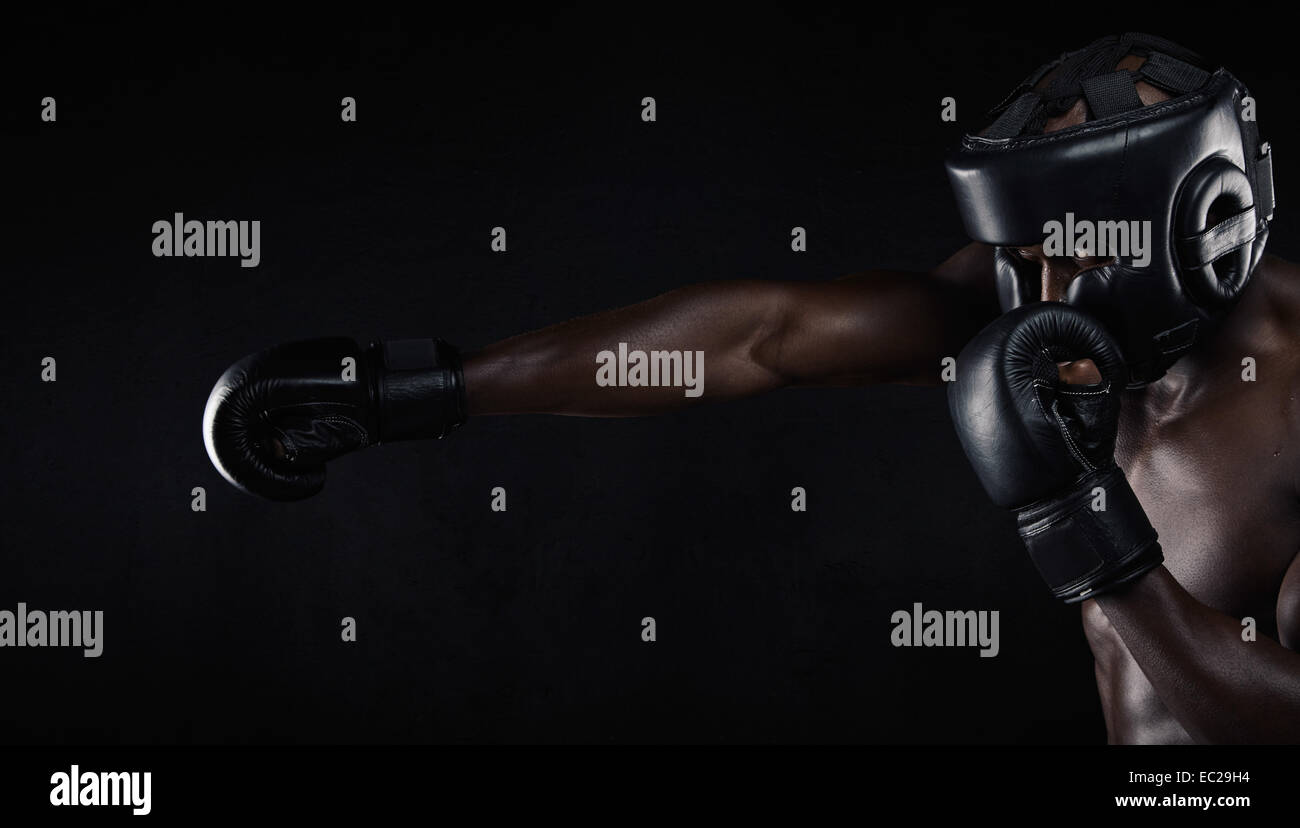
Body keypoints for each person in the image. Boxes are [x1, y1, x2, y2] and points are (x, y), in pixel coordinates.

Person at [203, 34, 1298, 744]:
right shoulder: (1028, 301)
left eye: (1072, 251)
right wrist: (423, 387)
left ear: (1199, 229)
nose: (1042, 294)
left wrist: (1076, 527)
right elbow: (759, 338)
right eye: (1022, 250)